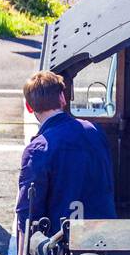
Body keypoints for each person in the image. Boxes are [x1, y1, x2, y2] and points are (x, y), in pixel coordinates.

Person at [15, 70, 116, 236]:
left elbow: (28, 215)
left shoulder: (37, 150)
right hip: (105, 237)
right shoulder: (95, 132)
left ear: (29, 106)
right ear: (62, 98)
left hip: (62, 245)